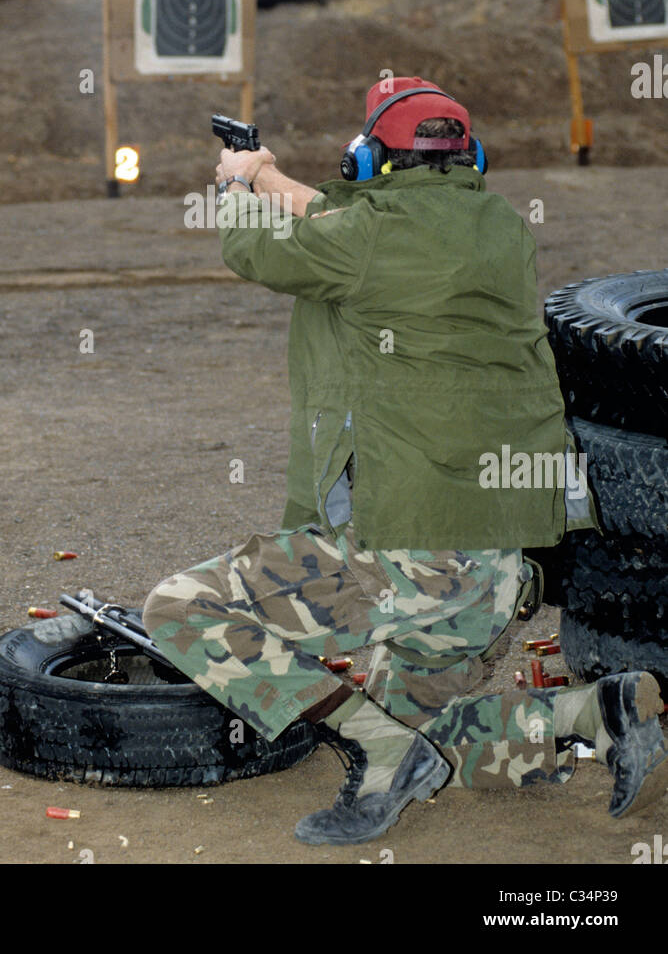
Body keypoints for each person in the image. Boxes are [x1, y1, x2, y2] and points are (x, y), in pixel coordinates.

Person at [142, 76, 668, 846]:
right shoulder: (498, 227)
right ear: (469, 158)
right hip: (498, 571)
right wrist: (270, 174)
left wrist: (237, 183)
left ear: (369, 163)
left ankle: (381, 750)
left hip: (416, 563)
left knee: (180, 608)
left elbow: (253, 245)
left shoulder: (368, 239)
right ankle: (595, 713)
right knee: (431, 732)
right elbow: (353, 221)